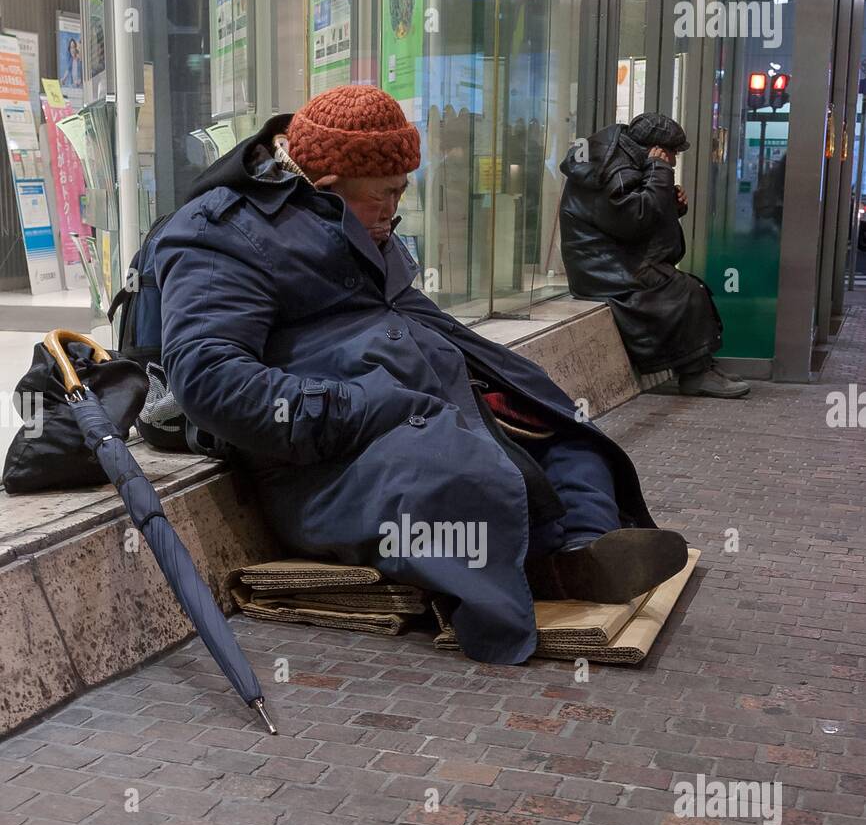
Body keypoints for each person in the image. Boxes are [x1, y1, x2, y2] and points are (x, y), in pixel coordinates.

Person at [154, 86, 688, 666]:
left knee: (561, 433)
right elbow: (210, 378)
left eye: (402, 191)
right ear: (327, 186)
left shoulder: (354, 214)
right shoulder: (221, 232)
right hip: (331, 450)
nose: (394, 208)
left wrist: (482, 378)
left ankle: (582, 548)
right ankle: (543, 563)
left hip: (419, 395)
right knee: (464, 478)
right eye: (384, 196)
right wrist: (366, 404)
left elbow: (391, 310)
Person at [559, 113, 750, 399]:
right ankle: (695, 373)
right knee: (683, 291)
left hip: (612, 259)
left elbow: (638, 217)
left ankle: (700, 366)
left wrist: (670, 203)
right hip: (601, 268)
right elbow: (635, 220)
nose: (673, 160)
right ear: (656, 150)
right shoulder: (615, 170)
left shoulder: (624, 161)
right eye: (671, 153)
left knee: (689, 287)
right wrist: (659, 174)